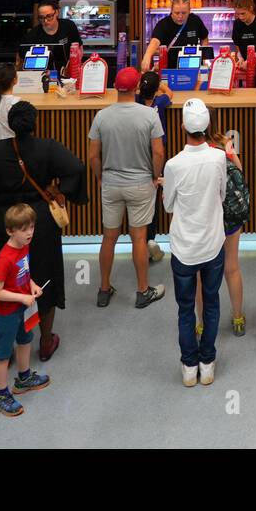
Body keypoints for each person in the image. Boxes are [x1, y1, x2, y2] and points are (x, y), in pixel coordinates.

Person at [0, 101, 87, 363]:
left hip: (4, 223)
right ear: (34, 123)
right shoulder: (48, 147)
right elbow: (77, 168)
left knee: (7, 282)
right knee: (44, 277)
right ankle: (46, 340)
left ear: (9, 124)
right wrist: (63, 191)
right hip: (38, 223)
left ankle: (11, 340)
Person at [160, 98, 228, 388]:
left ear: (182, 126)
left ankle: (189, 366)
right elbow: (222, 194)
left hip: (184, 248)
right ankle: (207, 363)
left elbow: (167, 206)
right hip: (213, 243)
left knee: (186, 307)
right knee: (211, 303)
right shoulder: (219, 158)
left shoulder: (173, 165)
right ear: (208, 126)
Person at [89, 66, 167, 310]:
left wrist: (100, 178)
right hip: (141, 183)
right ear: (136, 88)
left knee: (109, 237)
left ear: (114, 86)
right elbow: (158, 151)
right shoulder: (149, 115)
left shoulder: (102, 116)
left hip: (111, 183)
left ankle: (104, 289)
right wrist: (155, 176)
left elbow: (93, 155)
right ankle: (143, 290)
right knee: (139, 238)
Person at [0, 204, 49, 417]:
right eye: (23, 229)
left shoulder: (24, 246)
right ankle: (1, 394)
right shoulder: (5, 258)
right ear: (10, 231)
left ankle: (24, 378)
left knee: (25, 340)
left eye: (31, 227)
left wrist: (31, 285)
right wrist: (21, 297)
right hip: (6, 313)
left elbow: (23, 272)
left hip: (23, 308)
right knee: (4, 354)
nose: (29, 233)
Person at [194, 125, 247, 337]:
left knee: (199, 272)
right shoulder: (225, 145)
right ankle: (238, 318)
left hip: (204, 219)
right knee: (231, 268)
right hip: (229, 216)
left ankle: (201, 323)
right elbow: (239, 171)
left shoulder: (193, 150)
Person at [136, 70, 174, 262]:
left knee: (140, 196)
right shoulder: (160, 103)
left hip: (139, 152)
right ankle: (151, 237)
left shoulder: (136, 102)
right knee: (154, 193)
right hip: (157, 153)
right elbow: (170, 93)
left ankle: (142, 240)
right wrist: (161, 85)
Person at [141, 0, 209, 71]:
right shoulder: (164, 24)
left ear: (189, 10)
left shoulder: (195, 20)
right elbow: (155, 41)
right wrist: (147, 55)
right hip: (170, 68)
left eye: (184, 13)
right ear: (171, 10)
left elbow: (204, 38)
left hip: (193, 66)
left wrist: (204, 58)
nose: (180, 16)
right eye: (176, 13)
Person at [24, 0, 83, 75]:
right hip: (43, 75)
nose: (45, 21)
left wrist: (73, 68)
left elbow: (79, 48)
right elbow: (27, 63)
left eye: (49, 16)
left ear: (57, 13)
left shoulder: (68, 26)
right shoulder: (33, 35)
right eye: (41, 18)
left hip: (68, 73)